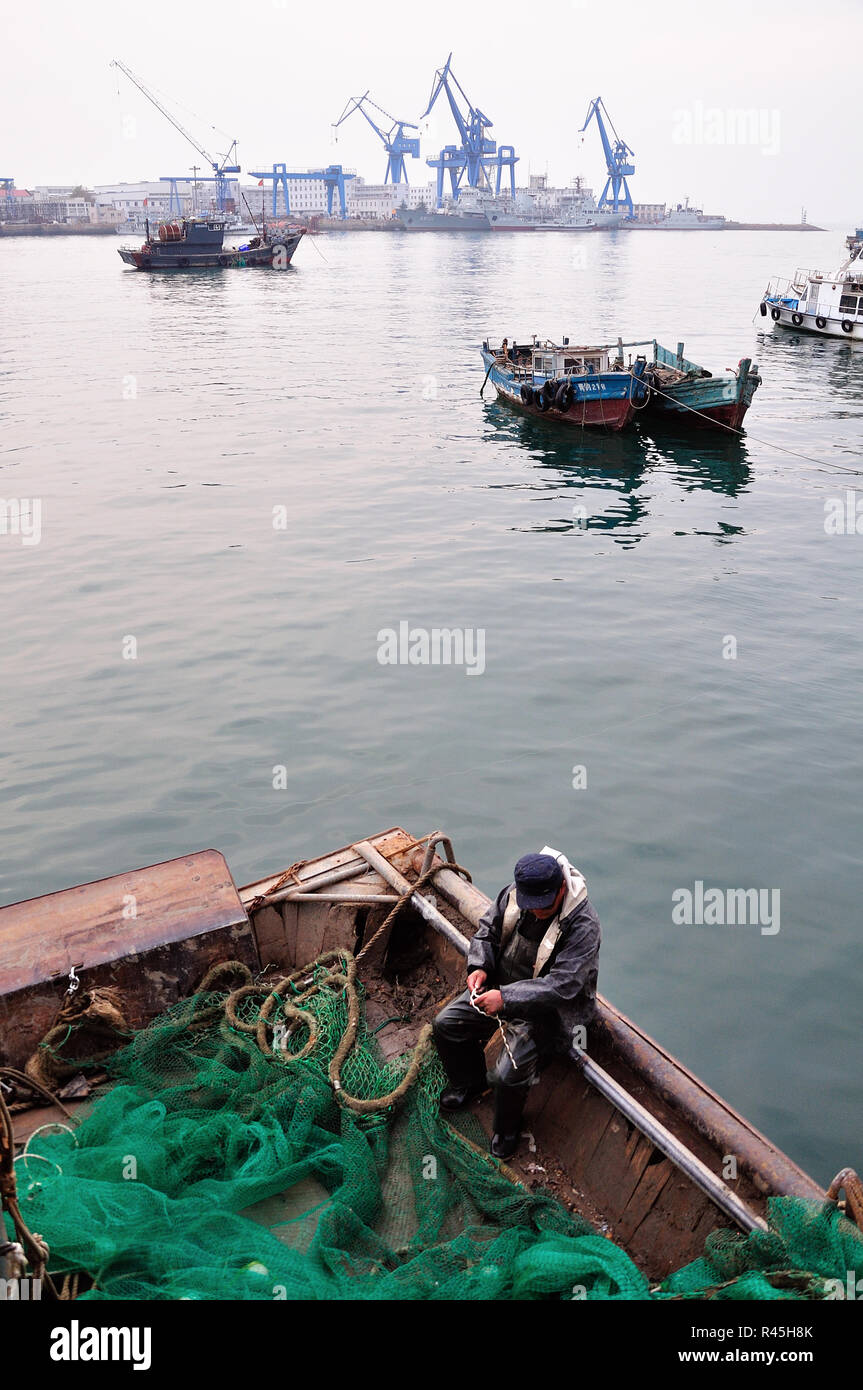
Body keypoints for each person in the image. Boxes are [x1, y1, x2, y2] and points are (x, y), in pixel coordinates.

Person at [432, 847, 601, 1160]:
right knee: (446, 1024)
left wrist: (506, 999)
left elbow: (563, 986)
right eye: (530, 905)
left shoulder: (584, 926)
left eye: (543, 905)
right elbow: (487, 931)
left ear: (561, 888)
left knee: (508, 1074)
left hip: (549, 1011)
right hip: (500, 988)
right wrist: (479, 967)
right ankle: (468, 1084)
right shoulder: (512, 894)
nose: (536, 911)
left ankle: (507, 1130)